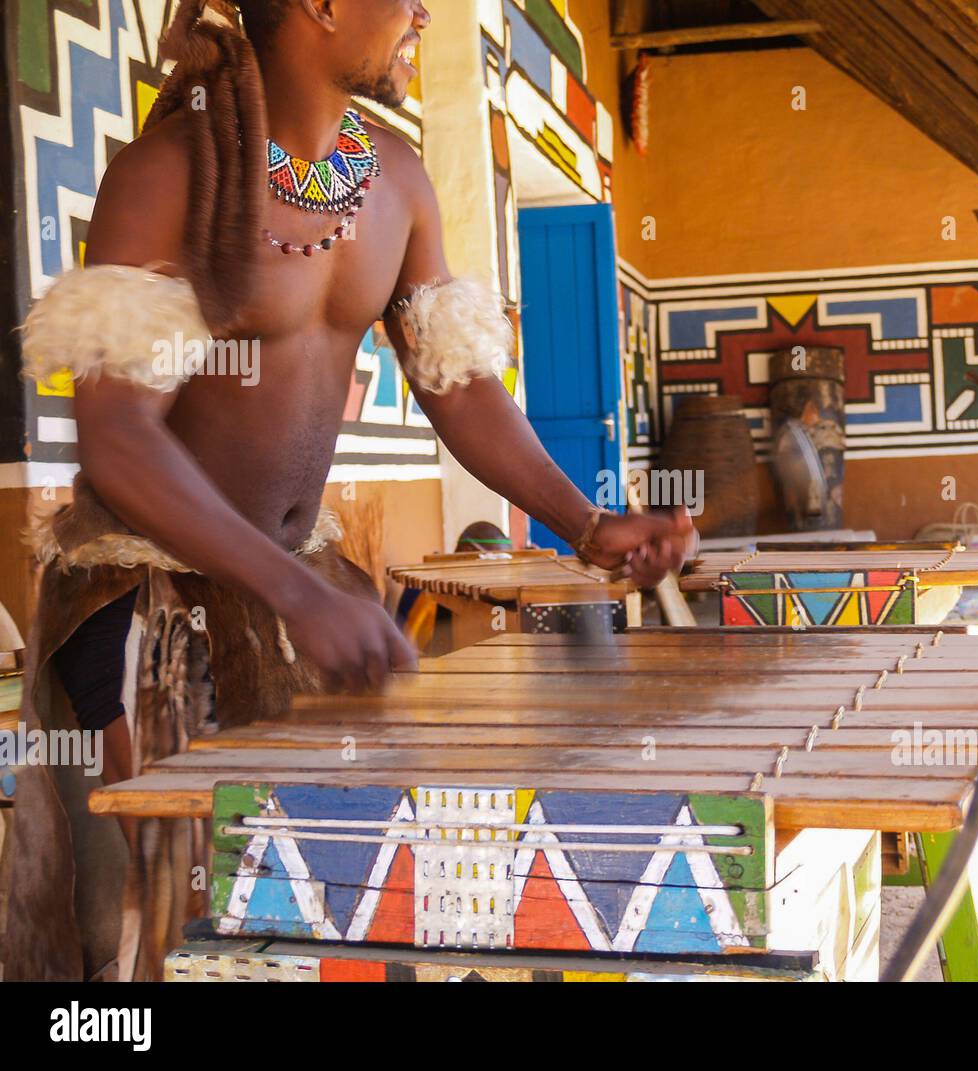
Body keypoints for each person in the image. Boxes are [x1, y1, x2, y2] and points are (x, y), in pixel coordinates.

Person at [0, 0, 695, 981]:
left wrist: (587, 524)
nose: (421, 13)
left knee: (330, 909)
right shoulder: (170, 175)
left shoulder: (397, 183)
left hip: (300, 596)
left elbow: (456, 387)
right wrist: (296, 594)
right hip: (147, 613)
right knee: (167, 937)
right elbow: (118, 440)